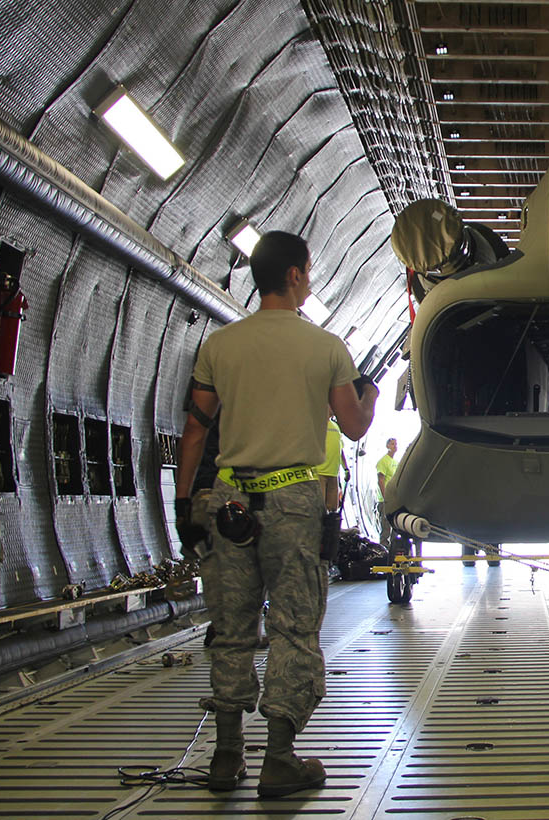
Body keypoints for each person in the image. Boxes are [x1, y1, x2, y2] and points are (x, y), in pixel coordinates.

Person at [174, 231, 378, 798]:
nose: (310, 279)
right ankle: (280, 759)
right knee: (293, 629)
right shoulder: (325, 347)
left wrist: (185, 501)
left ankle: (225, 757)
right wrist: (372, 391)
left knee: (231, 630)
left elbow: (196, 427)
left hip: (227, 499)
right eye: (308, 270)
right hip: (292, 501)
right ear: (293, 275)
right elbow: (355, 425)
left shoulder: (220, 345)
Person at [316, 415, 349, 514]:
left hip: (333, 474)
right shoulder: (317, 425)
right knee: (319, 507)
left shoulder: (336, 427)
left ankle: (330, 528)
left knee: (333, 507)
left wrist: (346, 468)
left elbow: (340, 449)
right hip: (319, 472)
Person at [376, 438, 398, 547]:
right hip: (384, 500)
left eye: (396, 444)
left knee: (395, 526)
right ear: (387, 446)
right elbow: (380, 480)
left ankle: (393, 548)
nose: (395, 446)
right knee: (385, 528)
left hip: (394, 500)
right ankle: (383, 548)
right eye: (392, 444)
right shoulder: (383, 461)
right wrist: (385, 498)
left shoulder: (395, 462)